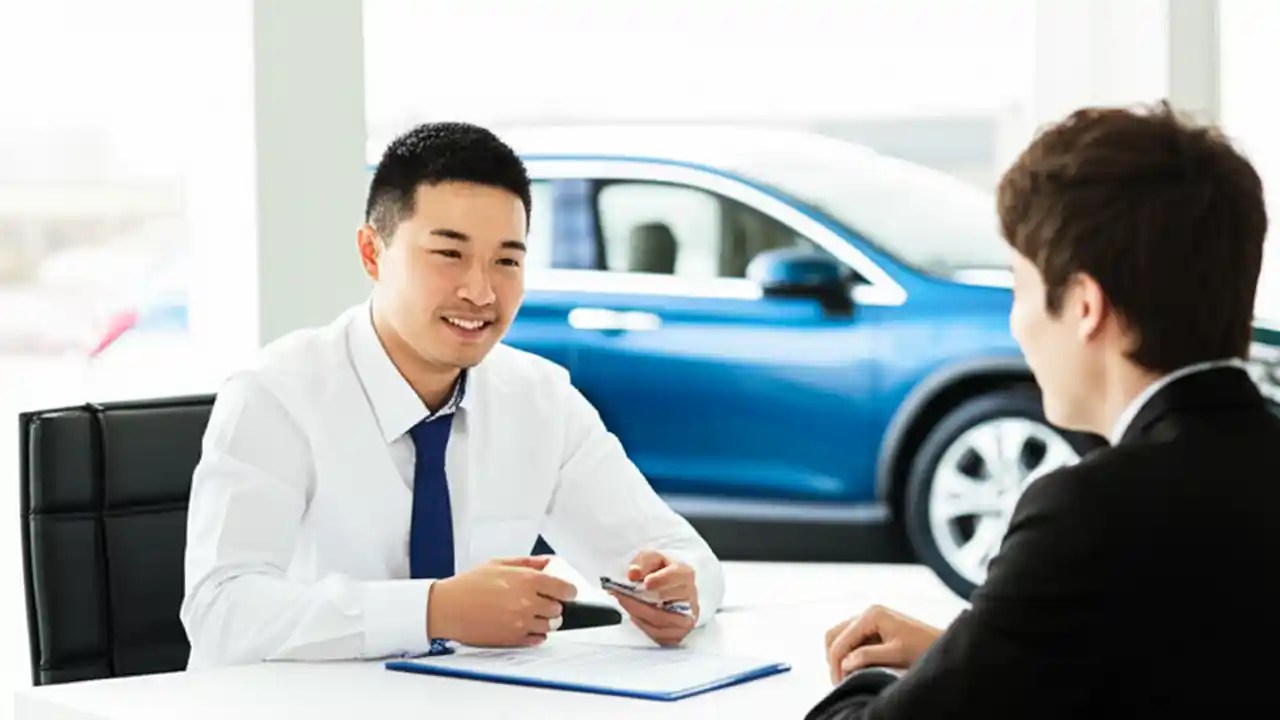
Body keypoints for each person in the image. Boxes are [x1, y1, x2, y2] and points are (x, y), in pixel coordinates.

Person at [180, 122, 724, 668]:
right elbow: (221, 612)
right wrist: (432, 611)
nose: (481, 292)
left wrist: (679, 590)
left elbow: (681, 556)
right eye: (449, 254)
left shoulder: (540, 400)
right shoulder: (275, 396)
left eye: (506, 261)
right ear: (372, 252)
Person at [808, 101, 1280, 718]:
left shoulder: (1091, 513)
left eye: (1020, 288)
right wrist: (959, 655)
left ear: (1084, 306)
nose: (1017, 324)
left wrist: (876, 686)